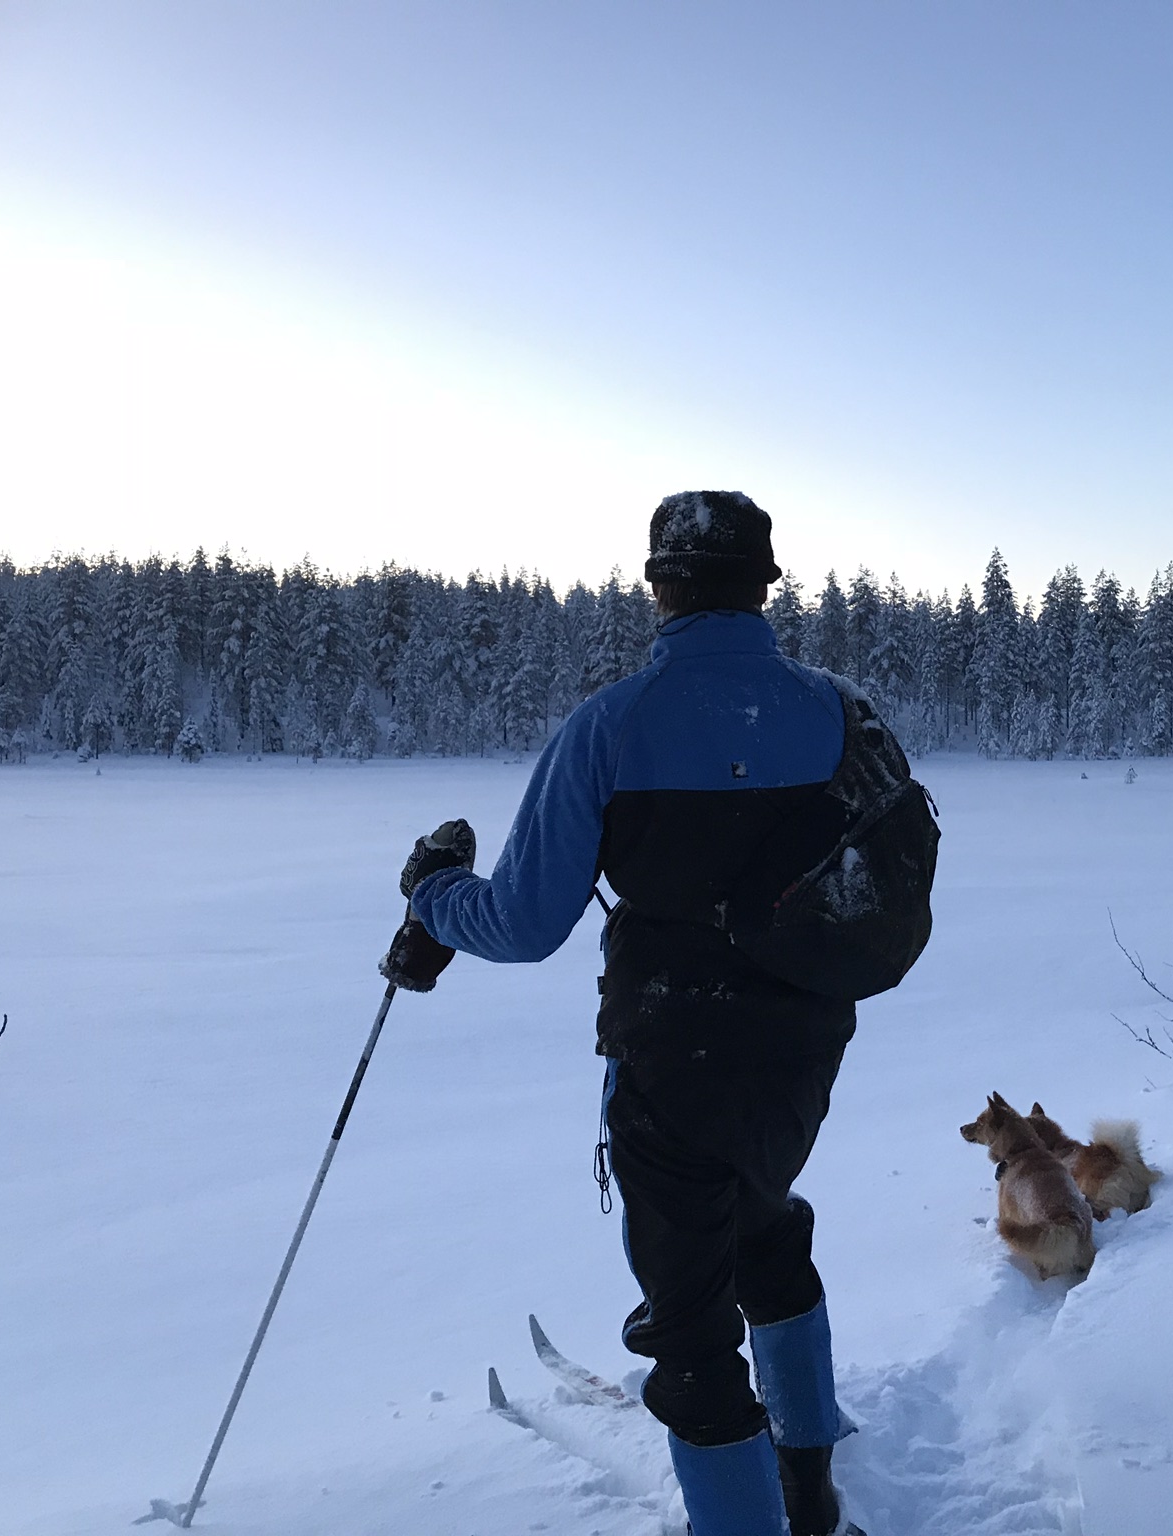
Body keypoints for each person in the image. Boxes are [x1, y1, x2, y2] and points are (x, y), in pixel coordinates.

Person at [383, 491, 866, 1536]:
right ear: (762, 588)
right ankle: (812, 1495)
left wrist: (429, 894)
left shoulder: (610, 726)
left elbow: (520, 921)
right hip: (805, 1048)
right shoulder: (837, 710)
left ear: (662, 590)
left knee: (691, 1330)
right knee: (767, 1236)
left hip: (671, 1056)